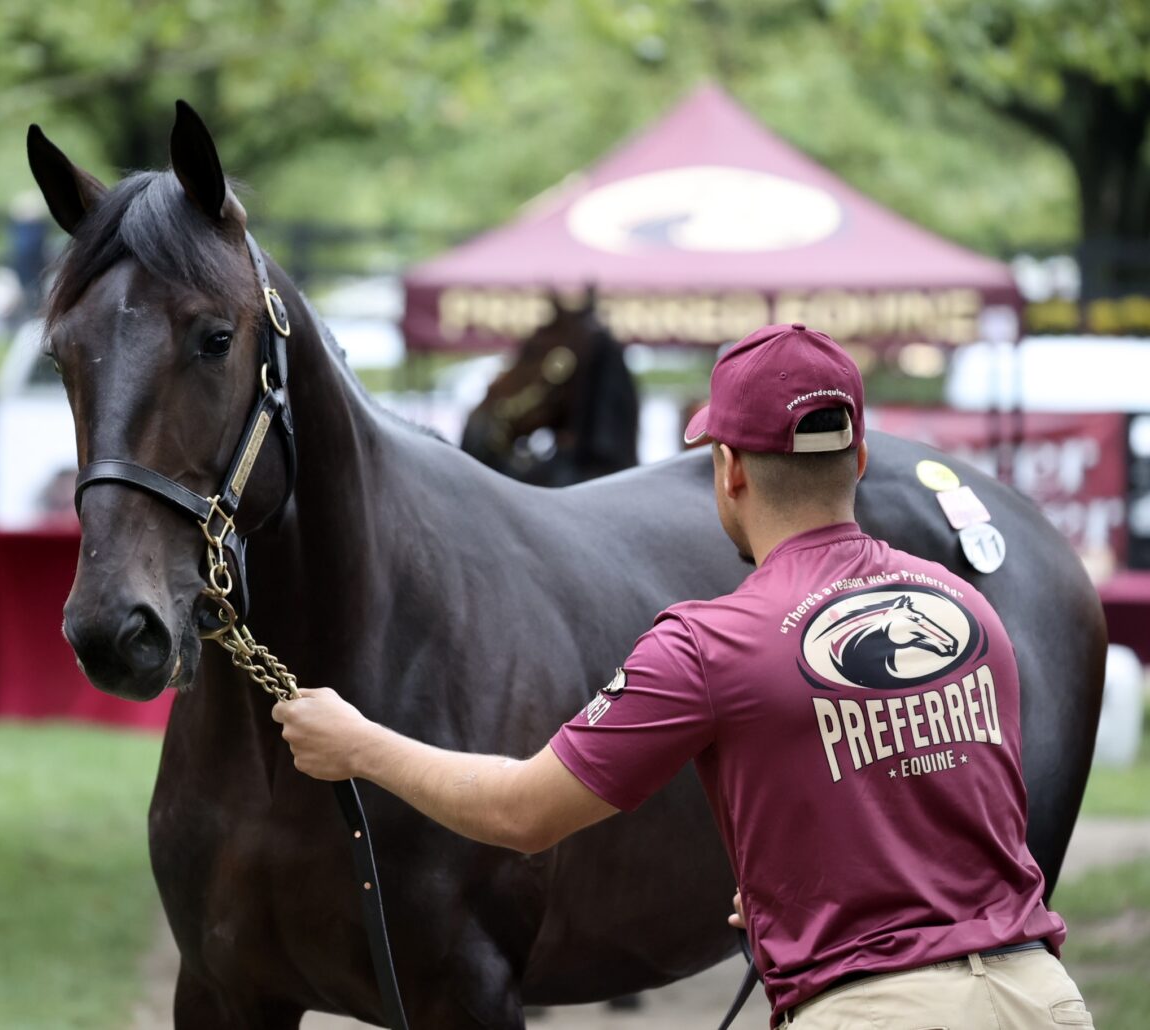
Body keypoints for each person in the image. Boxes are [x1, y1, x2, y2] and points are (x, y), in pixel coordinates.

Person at [273, 323, 1093, 1028]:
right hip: (1040, 997)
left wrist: (361, 746)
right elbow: (949, 805)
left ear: (729, 469)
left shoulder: (711, 644)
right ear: (861, 457)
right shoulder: (963, 606)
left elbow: (520, 812)